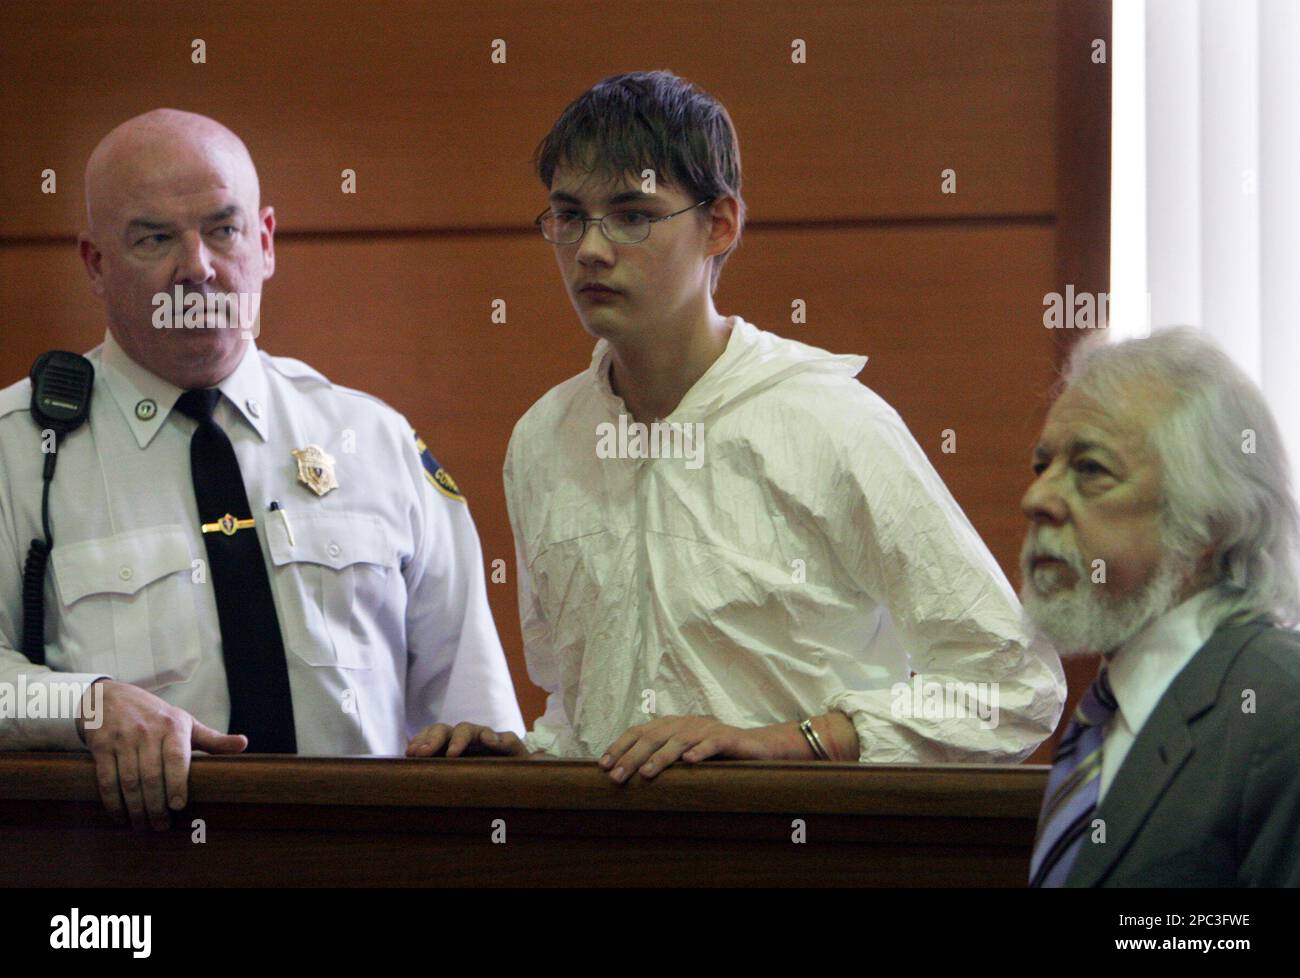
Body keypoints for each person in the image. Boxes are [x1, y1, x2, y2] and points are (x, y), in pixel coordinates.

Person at [407, 71, 1065, 778]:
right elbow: (582, 711)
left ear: (720, 224)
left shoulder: (830, 419)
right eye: (569, 216)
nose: (590, 250)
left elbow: (1012, 688)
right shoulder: (543, 440)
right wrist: (524, 758)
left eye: (632, 215)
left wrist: (793, 741)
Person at [0, 109, 523, 831]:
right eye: (155, 238)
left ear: (266, 242)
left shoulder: (373, 441)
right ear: (95, 263)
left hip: (366, 867)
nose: (198, 267)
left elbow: (476, 718)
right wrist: (85, 703)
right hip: (135, 879)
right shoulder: (19, 450)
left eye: (224, 229)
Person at [1021, 327, 1300, 887]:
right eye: (1042, 465)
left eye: (1091, 469)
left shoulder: (1280, 709)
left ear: (1210, 520)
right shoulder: (1107, 712)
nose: (1037, 499)